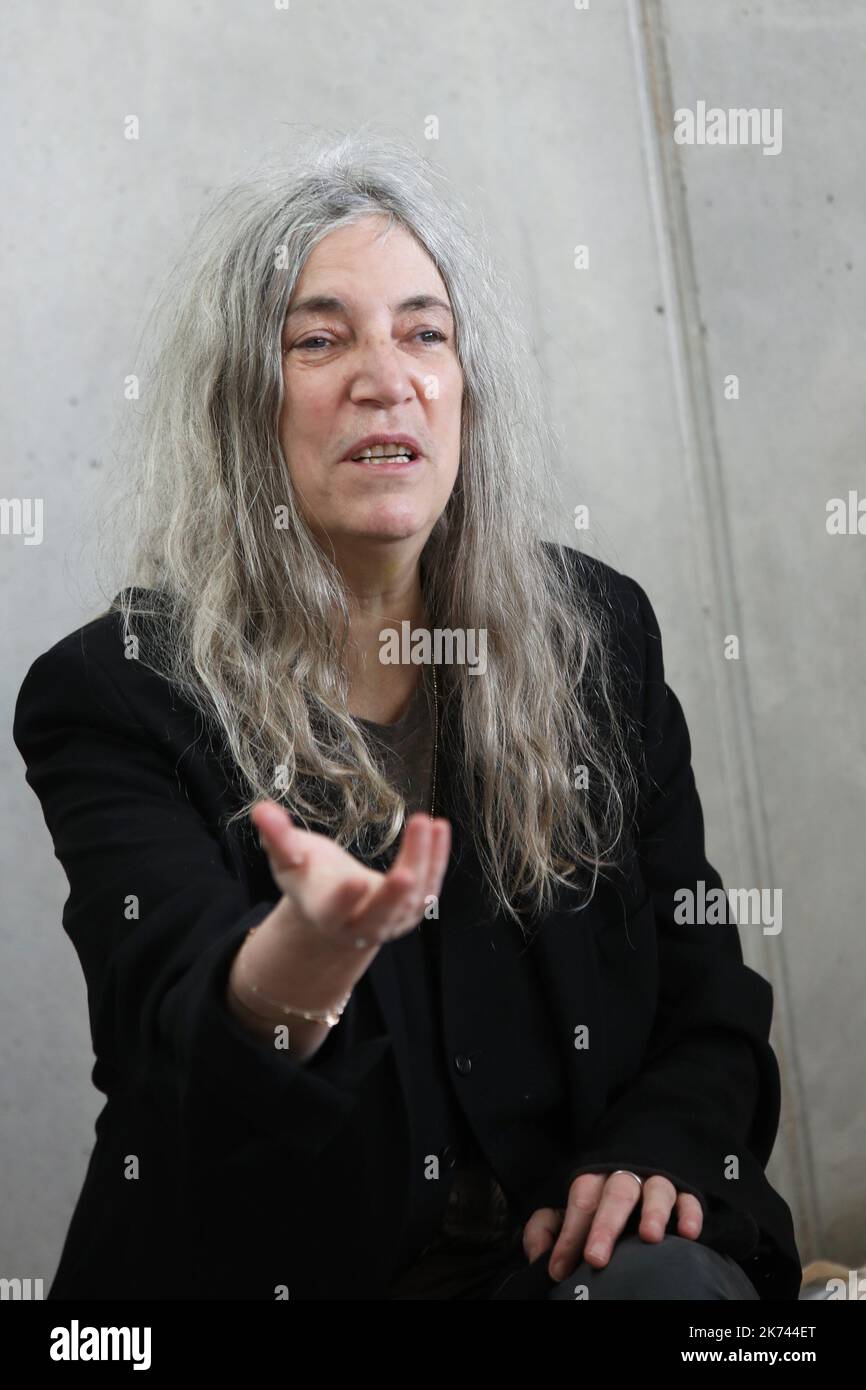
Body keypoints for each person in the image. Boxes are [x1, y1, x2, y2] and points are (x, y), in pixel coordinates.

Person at [13, 132, 801, 1301]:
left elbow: (707, 994)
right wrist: (299, 964)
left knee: (671, 1291)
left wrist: (659, 1149)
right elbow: (174, 1034)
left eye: (424, 332)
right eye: (319, 339)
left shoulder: (596, 634)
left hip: (552, 1270)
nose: (387, 376)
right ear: (243, 410)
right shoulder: (120, 689)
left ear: (463, 394)